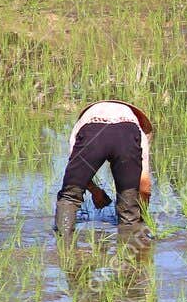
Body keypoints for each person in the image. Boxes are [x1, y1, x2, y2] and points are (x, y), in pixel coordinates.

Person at [53, 100, 153, 239]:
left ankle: (63, 247)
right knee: (129, 208)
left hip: (91, 131)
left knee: (70, 196)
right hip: (127, 137)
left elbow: (75, 172)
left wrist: (96, 192)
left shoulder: (83, 121)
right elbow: (145, 186)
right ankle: (128, 254)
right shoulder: (136, 128)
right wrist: (141, 217)